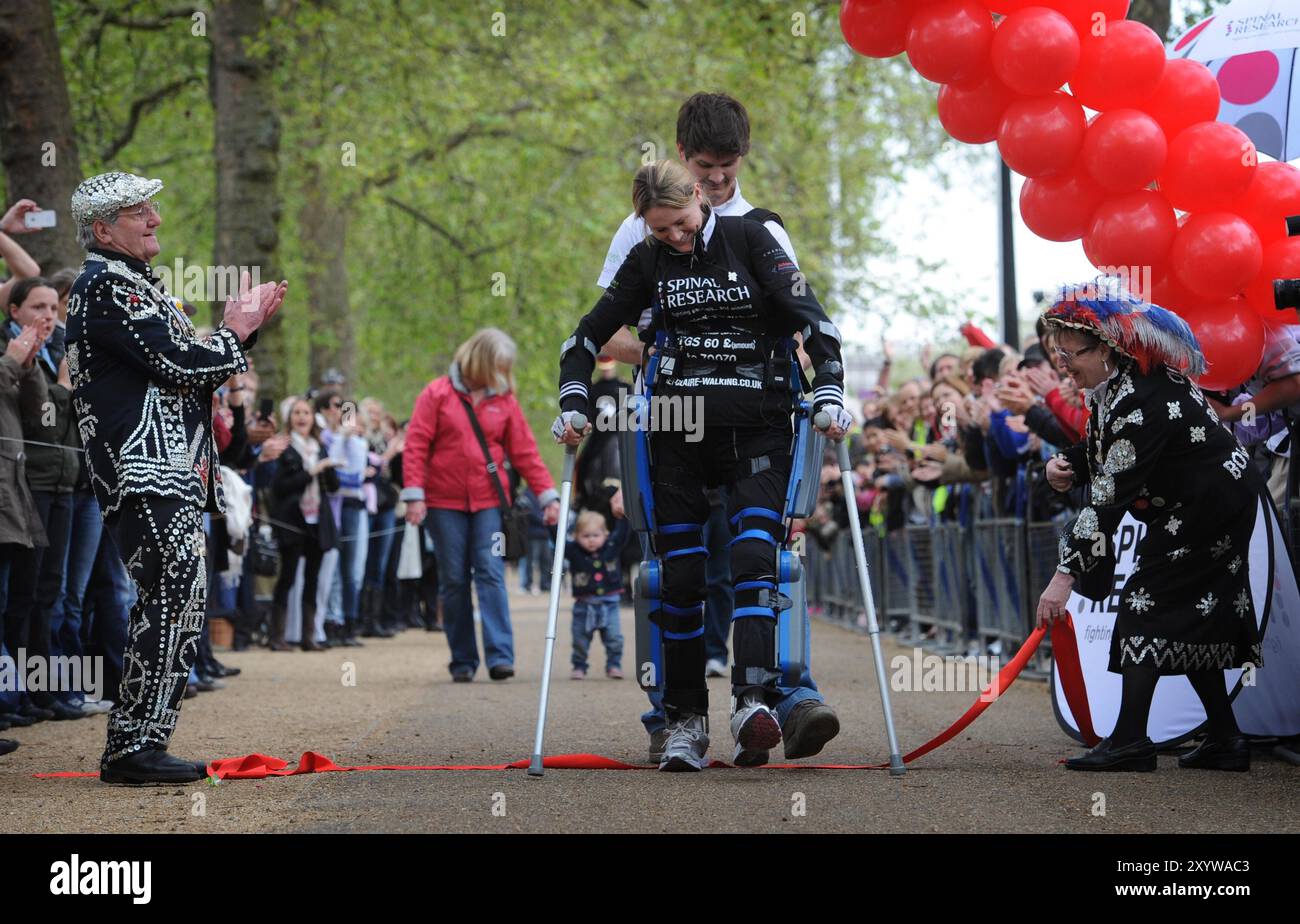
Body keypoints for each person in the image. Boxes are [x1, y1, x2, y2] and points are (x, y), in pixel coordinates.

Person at [555, 159, 851, 771]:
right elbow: (585, 339)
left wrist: (829, 388)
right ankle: (684, 719)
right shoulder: (647, 259)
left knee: (752, 559)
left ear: (699, 195)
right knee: (681, 577)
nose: (675, 238)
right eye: (661, 230)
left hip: (757, 428)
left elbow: (814, 320)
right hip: (675, 434)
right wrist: (575, 400)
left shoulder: (753, 237)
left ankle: (751, 702)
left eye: (681, 223)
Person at [65, 171, 286, 784]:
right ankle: (133, 748)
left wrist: (243, 327)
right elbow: (181, 362)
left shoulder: (132, 283)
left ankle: (143, 740)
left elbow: (190, 366)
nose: (156, 218)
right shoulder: (108, 285)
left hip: (168, 471)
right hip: (143, 469)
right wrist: (237, 327)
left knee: (180, 602)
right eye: (139, 212)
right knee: (167, 599)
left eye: (153, 207)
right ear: (104, 229)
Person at [1036, 280, 1265, 773]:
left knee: (1146, 603)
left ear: (1108, 347)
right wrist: (1069, 463)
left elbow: (1109, 497)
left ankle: (1129, 742)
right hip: (1198, 502)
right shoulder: (1116, 389)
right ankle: (1226, 739)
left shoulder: (1140, 398)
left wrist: (1063, 578)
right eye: (1058, 351)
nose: (1061, 362)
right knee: (1191, 617)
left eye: (1070, 351)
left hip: (1209, 506)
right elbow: (1107, 452)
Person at [402, 328, 560, 682]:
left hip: (490, 502)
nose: (503, 373)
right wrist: (413, 493)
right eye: (498, 365)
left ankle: (501, 656)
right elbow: (416, 444)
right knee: (454, 579)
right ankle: (462, 660)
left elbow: (524, 451)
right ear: (481, 361)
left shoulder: (505, 399)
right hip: (443, 503)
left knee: (490, 572)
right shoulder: (437, 393)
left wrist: (547, 495)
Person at [0, 284, 50, 742]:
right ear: (12, 311)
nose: (47, 317)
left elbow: (43, 421)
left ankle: (14, 699)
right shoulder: (5, 352)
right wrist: (14, 359)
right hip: (11, 491)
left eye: (54, 308)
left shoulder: (20, 357)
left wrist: (30, 366)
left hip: (16, 494)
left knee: (20, 599)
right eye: (38, 307)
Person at [268, 397, 339, 652]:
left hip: (317, 522)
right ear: (290, 418)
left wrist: (328, 468)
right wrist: (311, 471)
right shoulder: (285, 449)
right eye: (297, 412)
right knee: (286, 577)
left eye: (306, 413)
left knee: (313, 578)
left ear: (313, 418)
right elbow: (280, 487)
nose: (301, 417)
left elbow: (333, 487)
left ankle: (309, 636)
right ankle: (277, 636)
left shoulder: (319, 447)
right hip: (292, 521)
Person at [563, 509, 631, 680]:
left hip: (610, 604)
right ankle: (579, 665)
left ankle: (614, 664)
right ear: (576, 536)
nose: (591, 540)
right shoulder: (574, 551)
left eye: (596, 535)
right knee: (580, 640)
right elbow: (558, 542)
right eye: (586, 536)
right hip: (584, 606)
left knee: (614, 638)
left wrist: (621, 518)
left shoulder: (611, 548)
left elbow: (622, 535)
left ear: (605, 534)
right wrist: (551, 525)